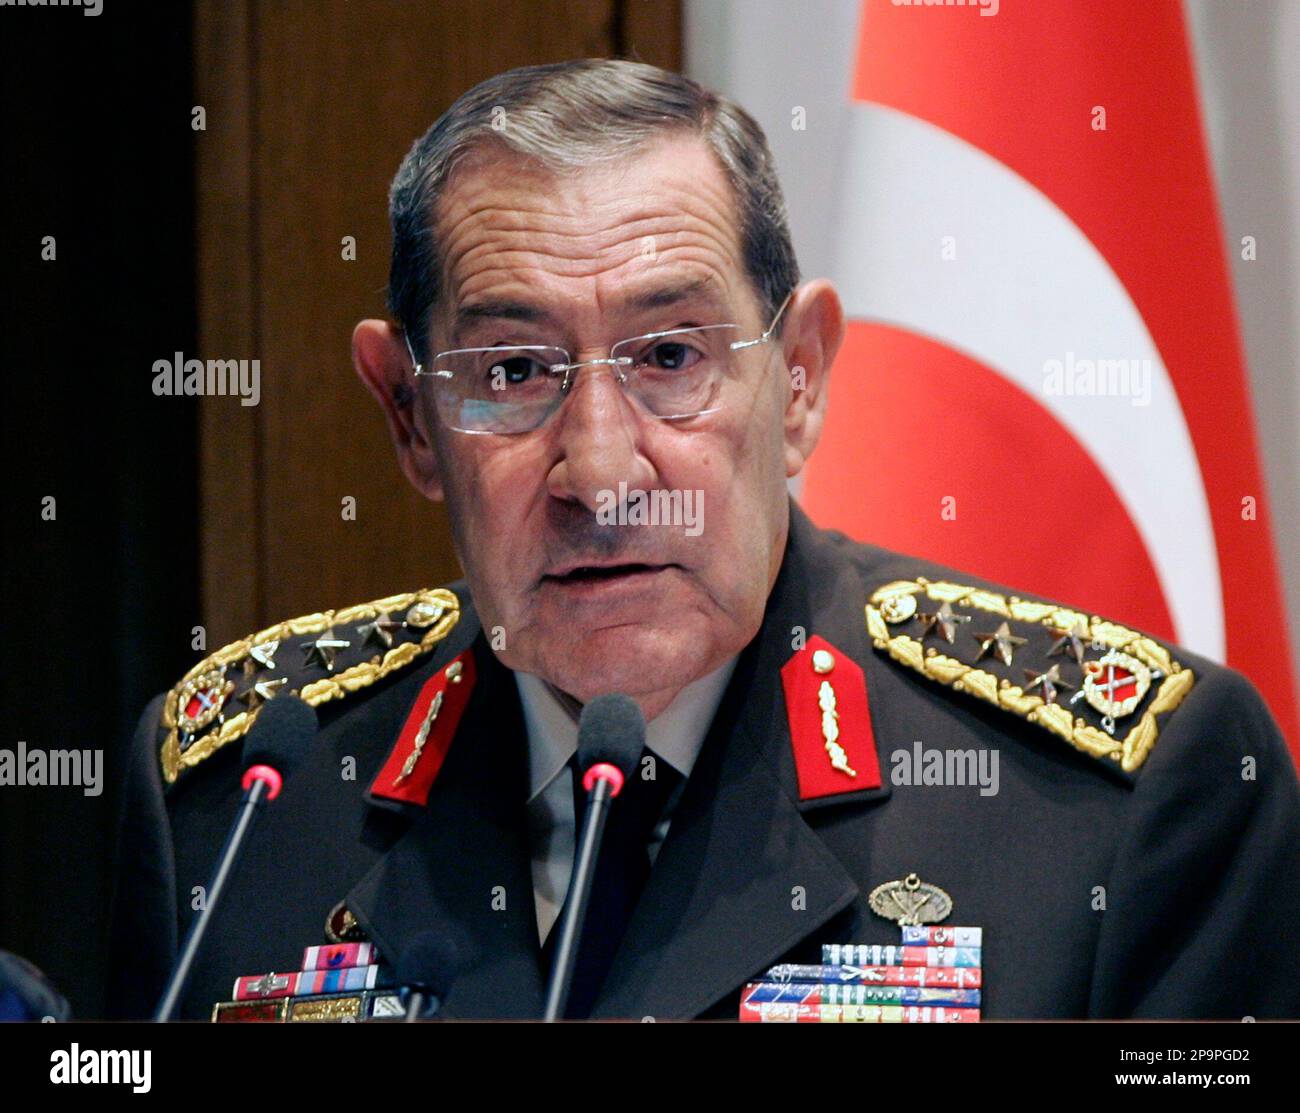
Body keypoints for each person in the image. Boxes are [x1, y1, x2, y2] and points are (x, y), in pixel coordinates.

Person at [108, 58, 1300, 1022]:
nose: (601, 472)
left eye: (671, 357)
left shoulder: (1114, 808)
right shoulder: (246, 802)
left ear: (799, 382)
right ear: (408, 416)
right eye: (512, 371)